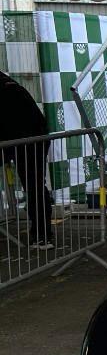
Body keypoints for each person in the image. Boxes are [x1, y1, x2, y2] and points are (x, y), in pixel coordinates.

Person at [0, 70, 53, 249]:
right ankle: (42, 235)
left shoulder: (8, 90)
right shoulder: (9, 86)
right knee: (35, 186)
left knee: (34, 186)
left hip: (29, 140)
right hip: (26, 137)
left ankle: (42, 235)